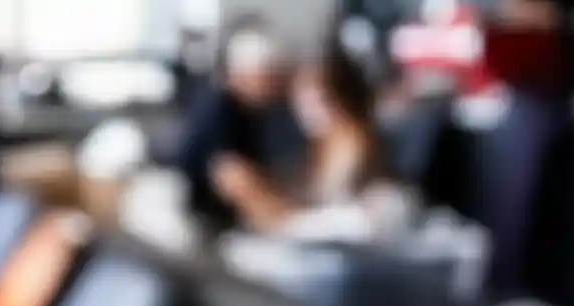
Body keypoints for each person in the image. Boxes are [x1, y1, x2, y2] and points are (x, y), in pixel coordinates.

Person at [213, 44, 416, 241]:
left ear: (341, 98)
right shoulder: (326, 145)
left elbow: (326, 221)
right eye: (301, 98)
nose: (305, 109)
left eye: (316, 98)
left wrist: (255, 196)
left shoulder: (355, 143)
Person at [177, 17, 307, 229]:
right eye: (268, 78)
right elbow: (232, 177)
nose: (276, 86)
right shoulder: (220, 112)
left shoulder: (259, 110)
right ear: (242, 76)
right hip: (208, 226)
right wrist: (286, 223)